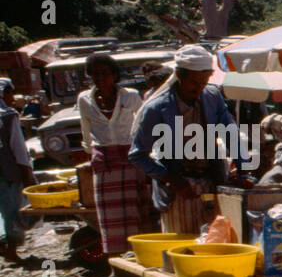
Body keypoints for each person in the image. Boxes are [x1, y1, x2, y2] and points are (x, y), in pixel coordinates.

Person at [128, 45, 247, 233]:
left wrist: (243, 170)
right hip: (178, 190)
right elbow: (137, 155)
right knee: (182, 248)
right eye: (193, 82)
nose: (198, 88)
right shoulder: (157, 108)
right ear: (179, 76)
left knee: (214, 244)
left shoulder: (212, 96)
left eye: (204, 82)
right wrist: (172, 179)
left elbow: (230, 133)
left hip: (211, 182)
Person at [77, 53, 149, 255]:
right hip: (104, 160)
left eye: (104, 73)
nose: (100, 78)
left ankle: (137, 257)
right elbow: (85, 129)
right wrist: (91, 152)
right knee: (109, 216)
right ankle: (114, 263)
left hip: (129, 157)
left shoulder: (130, 95)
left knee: (134, 210)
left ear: (114, 74)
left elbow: (142, 124)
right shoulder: (84, 99)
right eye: (95, 74)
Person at [0, 78, 37, 263]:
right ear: (4, 93)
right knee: (12, 211)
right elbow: (18, 149)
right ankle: (10, 250)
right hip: (7, 173)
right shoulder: (8, 116)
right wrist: (27, 174)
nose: (12, 97)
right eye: (10, 93)